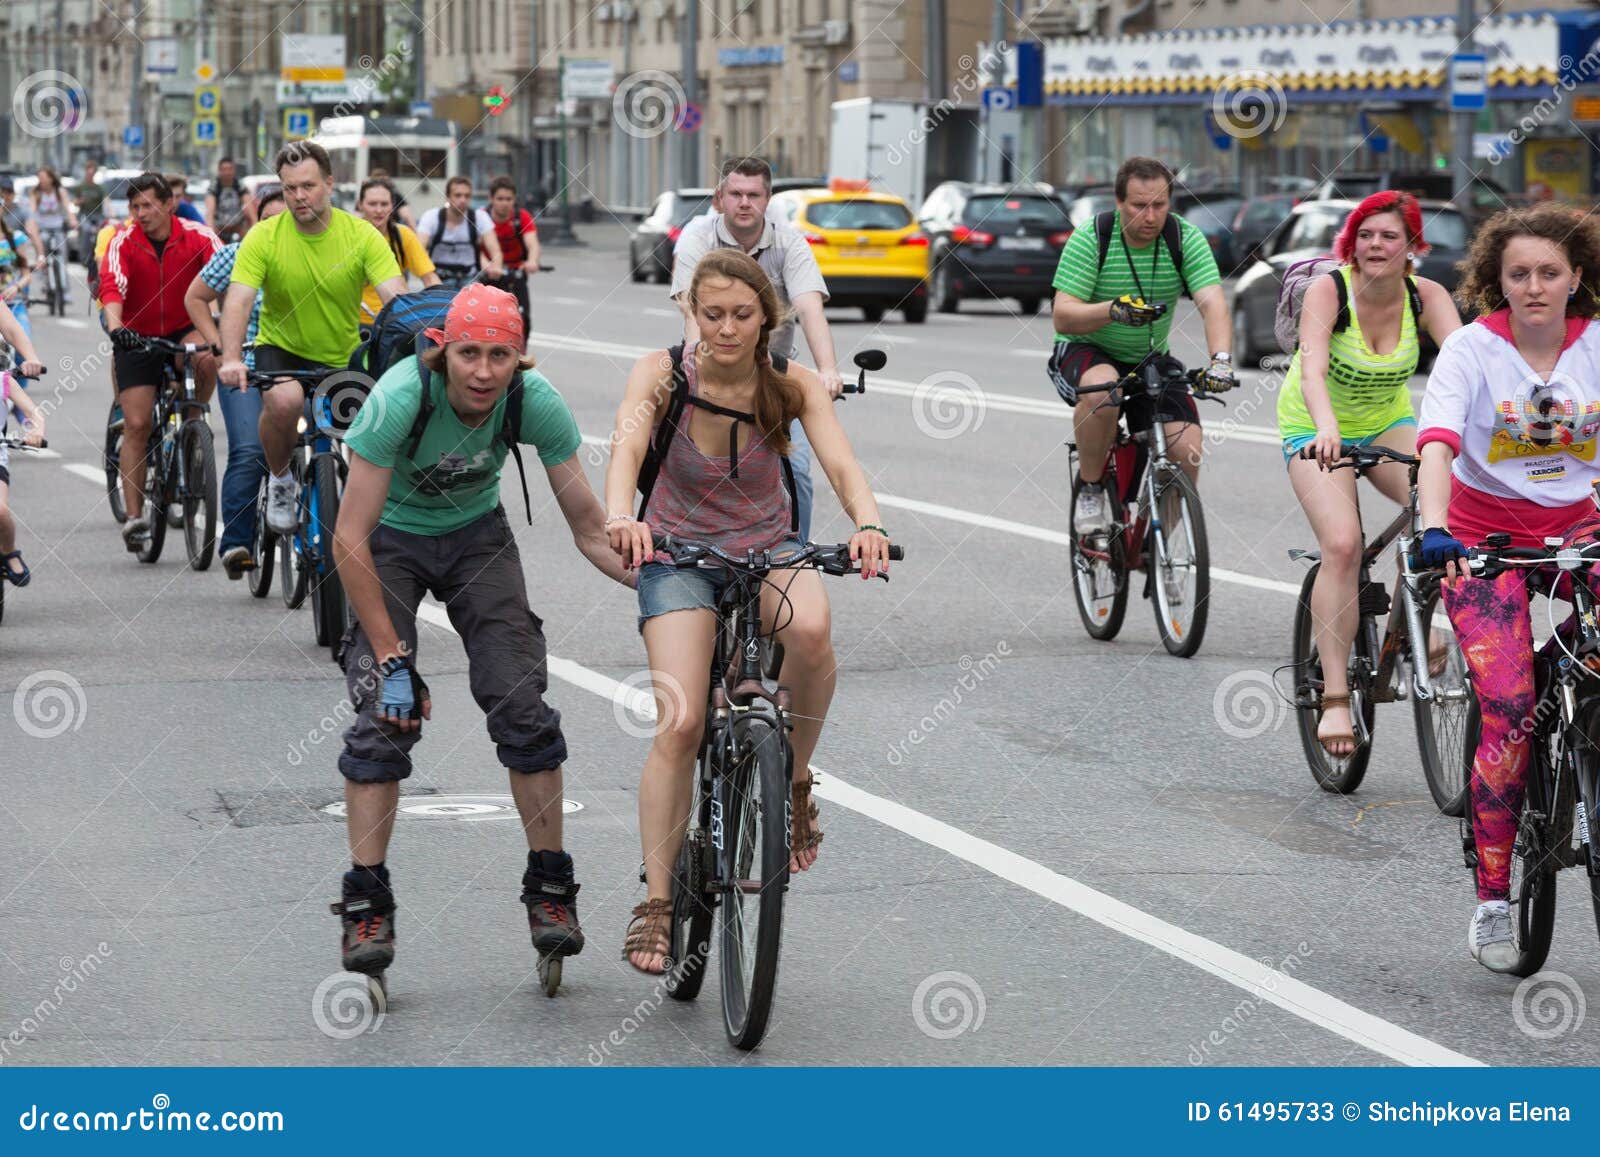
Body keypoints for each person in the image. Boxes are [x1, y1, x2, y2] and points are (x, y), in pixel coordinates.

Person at [329, 284, 631, 985]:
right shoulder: (398, 398)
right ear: (441, 350)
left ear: (521, 358)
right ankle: (367, 902)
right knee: (385, 714)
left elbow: (590, 527)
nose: (484, 371)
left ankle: (550, 888)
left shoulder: (536, 401)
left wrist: (666, 592)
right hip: (388, 542)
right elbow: (349, 537)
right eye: (469, 353)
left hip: (476, 538)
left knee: (520, 702)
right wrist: (392, 657)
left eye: (500, 355)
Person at [605, 249, 893, 975]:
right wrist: (621, 516)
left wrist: (869, 523)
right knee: (681, 719)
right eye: (712, 314)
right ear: (691, 314)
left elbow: (841, 463)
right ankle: (659, 906)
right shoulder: (661, 373)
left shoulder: (790, 385)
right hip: (675, 552)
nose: (726, 329)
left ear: (767, 315)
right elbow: (626, 446)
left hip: (769, 545)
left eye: (741, 314)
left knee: (813, 631)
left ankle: (795, 781)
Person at [1414, 204, 1600, 974]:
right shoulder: (1470, 349)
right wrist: (1434, 530)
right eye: (1518, 274)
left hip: (1580, 534)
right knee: (1513, 709)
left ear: (1576, 278)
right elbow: (1437, 444)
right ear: (1499, 279)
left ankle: (1567, 674)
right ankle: (1494, 897)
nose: (1533, 287)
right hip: (1481, 545)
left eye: (1548, 273)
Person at [1279, 192, 1461, 756]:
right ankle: (1335, 700)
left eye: (1389, 236)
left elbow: (1464, 365)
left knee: (1438, 510)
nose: (1376, 245)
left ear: (1412, 246)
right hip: (1315, 424)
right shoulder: (1329, 289)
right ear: (1351, 242)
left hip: (1386, 421)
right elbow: (1311, 368)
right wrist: (1326, 427)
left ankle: (1416, 617)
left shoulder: (1426, 295)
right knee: (1342, 545)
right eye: (1366, 235)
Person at [217, 142, 406, 537]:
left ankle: (367, 517)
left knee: (366, 432)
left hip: (341, 355)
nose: (299, 196)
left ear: (330, 184)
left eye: (308, 185)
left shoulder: (361, 235)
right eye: (289, 188)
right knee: (284, 403)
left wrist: (416, 349)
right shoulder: (264, 236)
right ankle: (282, 479)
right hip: (280, 349)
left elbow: (396, 299)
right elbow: (238, 299)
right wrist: (231, 358)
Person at [1051, 156, 1236, 543]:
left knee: (1185, 447)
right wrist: (1113, 311)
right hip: (1087, 348)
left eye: (1159, 205)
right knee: (1105, 391)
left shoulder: (1183, 238)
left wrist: (1220, 362)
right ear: (1119, 203)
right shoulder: (1093, 236)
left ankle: (1157, 541)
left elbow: (1212, 303)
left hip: (1148, 356)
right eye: (1139, 206)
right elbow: (1063, 317)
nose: (1150, 216)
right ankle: (1090, 488)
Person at [670, 156, 842, 543]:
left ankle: (793, 560)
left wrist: (827, 370)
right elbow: (691, 310)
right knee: (679, 464)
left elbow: (810, 307)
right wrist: (698, 366)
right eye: (735, 194)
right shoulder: (699, 239)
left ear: (768, 199)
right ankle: (684, 552)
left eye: (753, 194)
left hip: (773, 381)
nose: (744, 203)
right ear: (720, 198)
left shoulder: (789, 242)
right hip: (710, 379)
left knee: (794, 470)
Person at [99, 172, 223, 552]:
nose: (141, 213)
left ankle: (193, 418)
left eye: (148, 205)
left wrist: (225, 328)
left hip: (186, 326)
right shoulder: (123, 242)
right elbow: (111, 286)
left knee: (206, 356)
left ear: (169, 204)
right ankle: (136, 519)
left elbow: (231, 273)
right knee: (136, 425)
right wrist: (118, 328)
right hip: (137, 332)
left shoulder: (198, 235)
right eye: (134, 206)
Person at [184, 186, 288, 579]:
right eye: (269, 221)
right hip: (241, 364)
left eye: (287, 221)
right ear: (254, 222)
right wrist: (217, 344)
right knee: (250, 450)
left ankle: (322, 522)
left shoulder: (314, 255)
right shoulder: (236, 254)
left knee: (320, 443)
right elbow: (195, 297)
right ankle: (237, 542)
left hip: (295, 366)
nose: (278, 229)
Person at [355, 177, 439, 326]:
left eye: (384, 204)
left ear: (393, 206)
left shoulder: (403, 235)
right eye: (372, 204)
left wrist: (441, 309)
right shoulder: (349, 236)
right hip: (354, 321)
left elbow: (430, 278)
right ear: (360, 205)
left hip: (394, 321)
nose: (379, 210)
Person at [0, 366, 48, 588]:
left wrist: (35, 431)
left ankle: (9, 552)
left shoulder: (4, 381)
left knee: (0, 511)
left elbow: (33, 413)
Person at [415, 176, 502, 289]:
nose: (463, 200)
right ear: (447, 198)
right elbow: (418, 249)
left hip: (470, 278)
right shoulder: (432, 217)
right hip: (438, 278)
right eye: (458, 195)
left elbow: (495, 249)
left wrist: (496, 266)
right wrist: (428, 277)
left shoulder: (479, 217)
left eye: (467, 196)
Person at [485, 175, 540, 337]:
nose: (504, 203)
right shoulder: (482, 216)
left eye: (509, 199)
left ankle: (520, 352)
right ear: (491, 199)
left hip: (516, 272)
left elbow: (533, 243)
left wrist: (532, 261)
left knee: (523, 318)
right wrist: (487, 266)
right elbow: (476, 247)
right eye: (500, 198)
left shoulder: (521, 217)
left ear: (514, 199)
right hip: (490, 274)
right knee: (488, 318)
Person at [30, 167, 77, 304]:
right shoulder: (36, 193)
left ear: (51, 178)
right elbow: (32, 213)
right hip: (43, 228)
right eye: (40, 178)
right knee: (43, 249)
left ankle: (64, 291)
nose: (42, 180)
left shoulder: (59, 191)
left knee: (62, 256)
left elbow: (68, 208)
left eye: (44, 177)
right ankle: (45, 280)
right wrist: (31, 225)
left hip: (58, 228)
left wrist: (72, 220)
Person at [0, 178, 46, 274]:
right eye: (2, 192)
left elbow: (32, 233)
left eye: (9, 192)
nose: (5, 196)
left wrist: (40, 256)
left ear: (14, 194)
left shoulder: (23, 211)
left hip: (16, 256)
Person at [205, 157, 257, 242]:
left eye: (230, 169)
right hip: (219, 228)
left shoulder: (240, 185)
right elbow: (210, 213)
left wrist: (254, 230)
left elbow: (250, 209)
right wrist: (211, 235)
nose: (227, 172)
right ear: (219, 171)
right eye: (224, 169)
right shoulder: (214, 187)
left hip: (238, 227)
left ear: (234, 170)